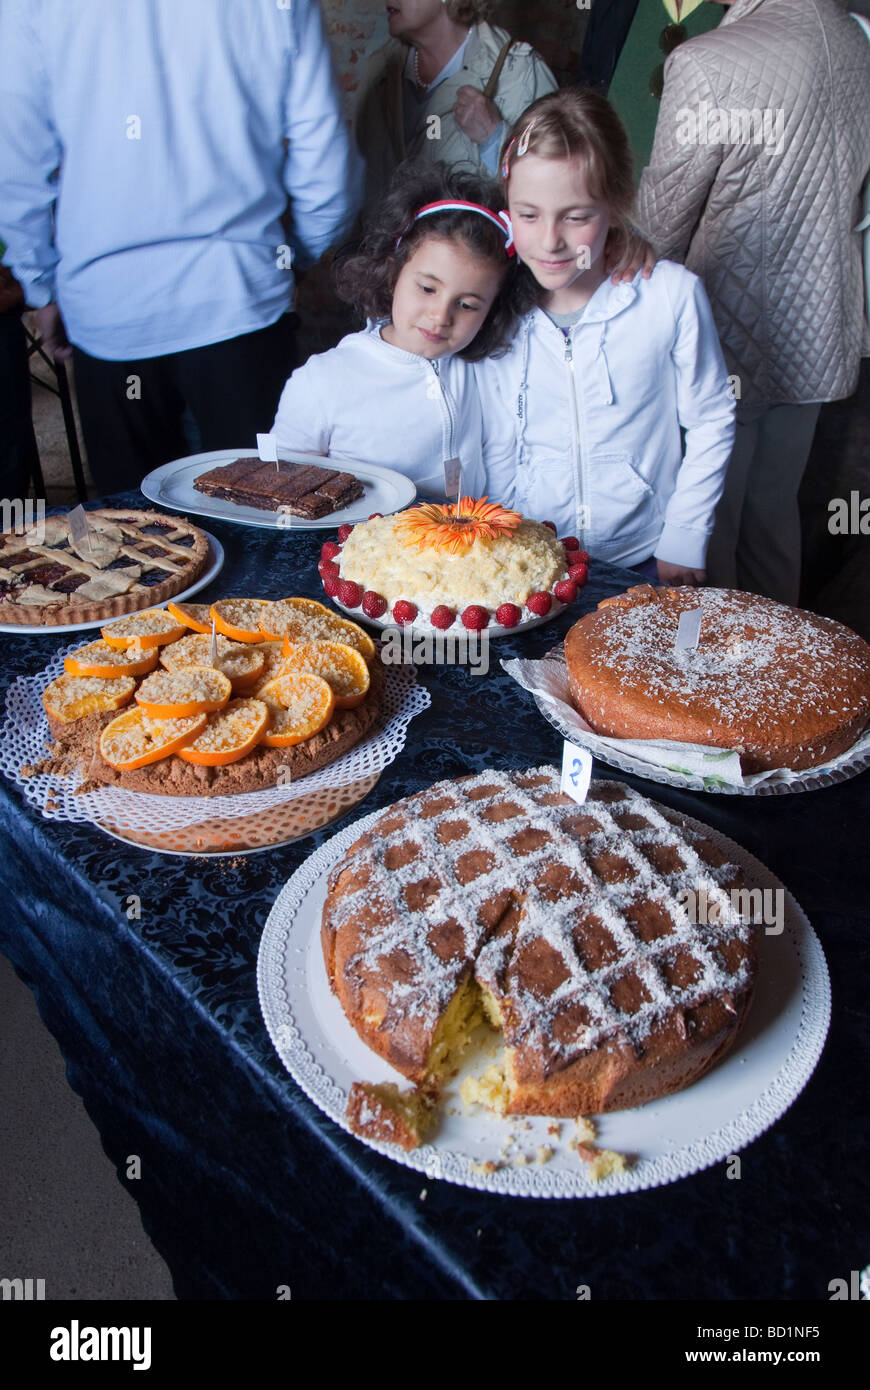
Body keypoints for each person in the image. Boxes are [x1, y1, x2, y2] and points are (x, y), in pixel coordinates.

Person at [0, 0, 361, 495]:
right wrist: (289, 257)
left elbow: (16, 162)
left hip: (109, 312)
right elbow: (324, 154)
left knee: (136, 547)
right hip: (239, 299)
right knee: (265, 525)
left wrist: (41, 284)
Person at [635, 0, 870, 605]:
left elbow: (658, 229)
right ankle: (779, 679)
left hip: (724, 332)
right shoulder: (852, 37)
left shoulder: (707, 62)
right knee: (772, 516)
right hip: (822, 323)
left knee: (706, 532)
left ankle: (712, 690)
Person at [475, 89, 735, 585]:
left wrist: (685, 533)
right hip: (526, 564)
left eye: (576, 217)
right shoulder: (488, 304)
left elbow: (712, 418)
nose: (550, 240)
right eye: (528, 215)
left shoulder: (672, 296)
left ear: (616, 205)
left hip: (647, 555)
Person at [270, 164, 517, 499]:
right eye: (428, 288)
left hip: (464, 545)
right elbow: (281, 491)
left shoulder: (482, 370)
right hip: (357, 548)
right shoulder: (323, 381)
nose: (440, 316)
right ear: (393, 272)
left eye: (468, 304)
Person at [355, 1, 557, 219]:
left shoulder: (522, 73)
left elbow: (557, 191)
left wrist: (495, 138)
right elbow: (359, 195)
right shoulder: (380, 71)